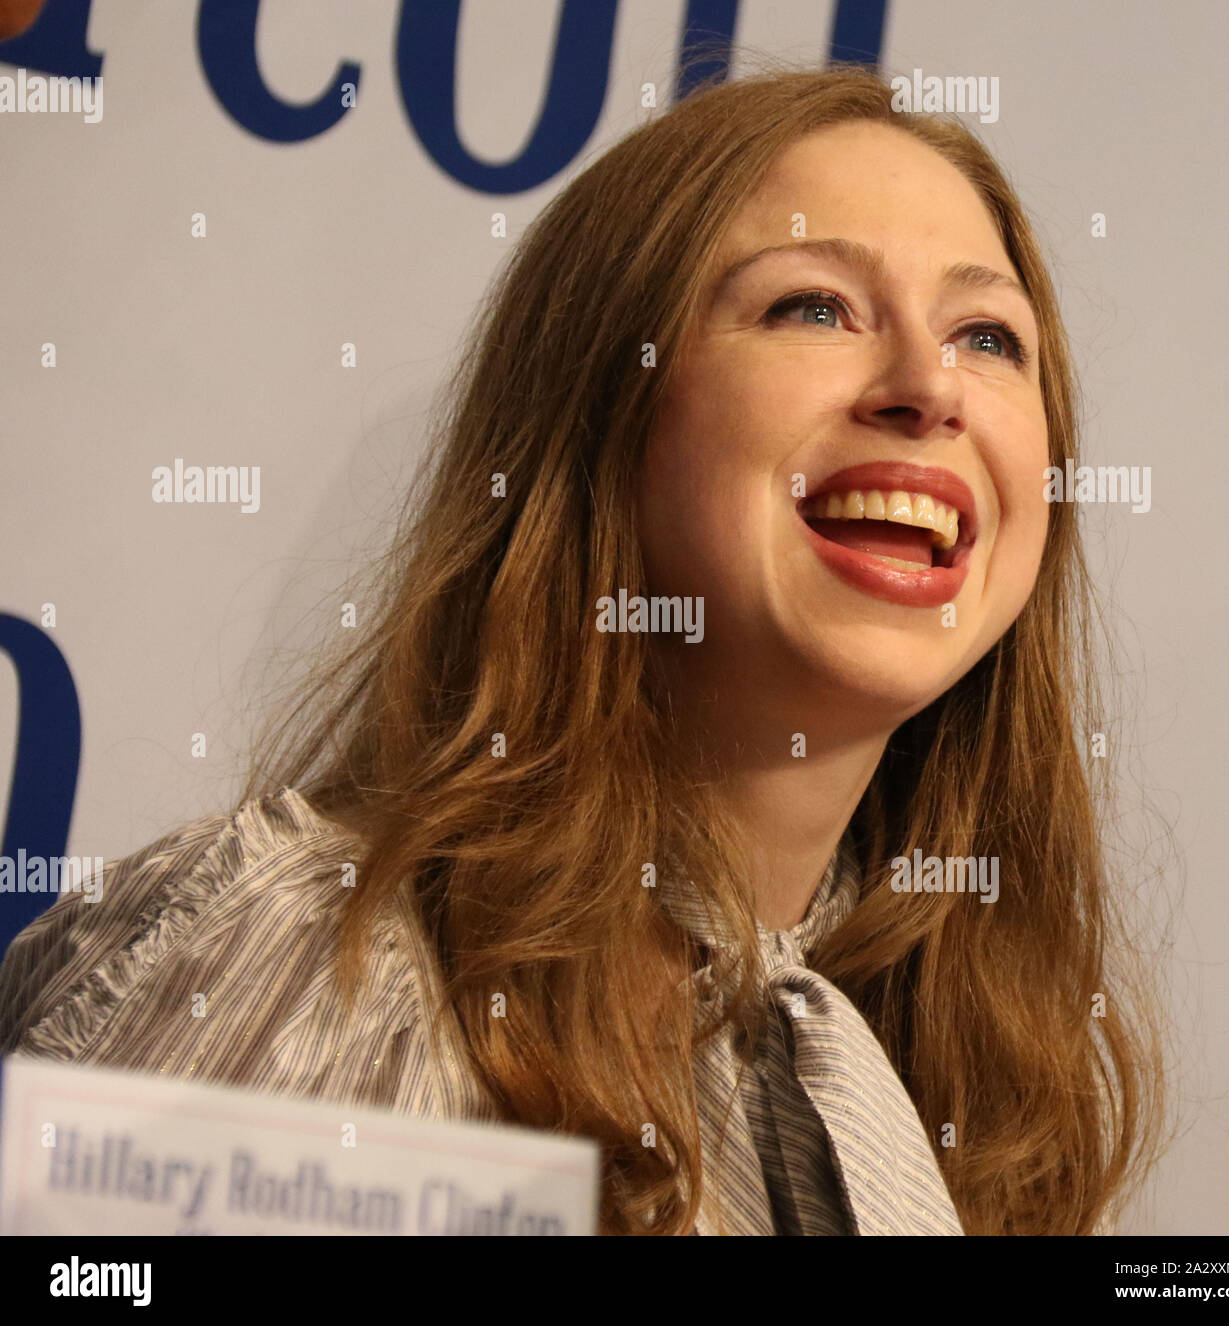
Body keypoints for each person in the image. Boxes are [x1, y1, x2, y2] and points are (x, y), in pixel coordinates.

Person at [0, 62, 1165, 1235]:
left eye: (987, 335)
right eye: (810, 306)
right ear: (599, 414)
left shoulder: (970, 1084)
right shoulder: (321, 964)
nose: (929, 387)